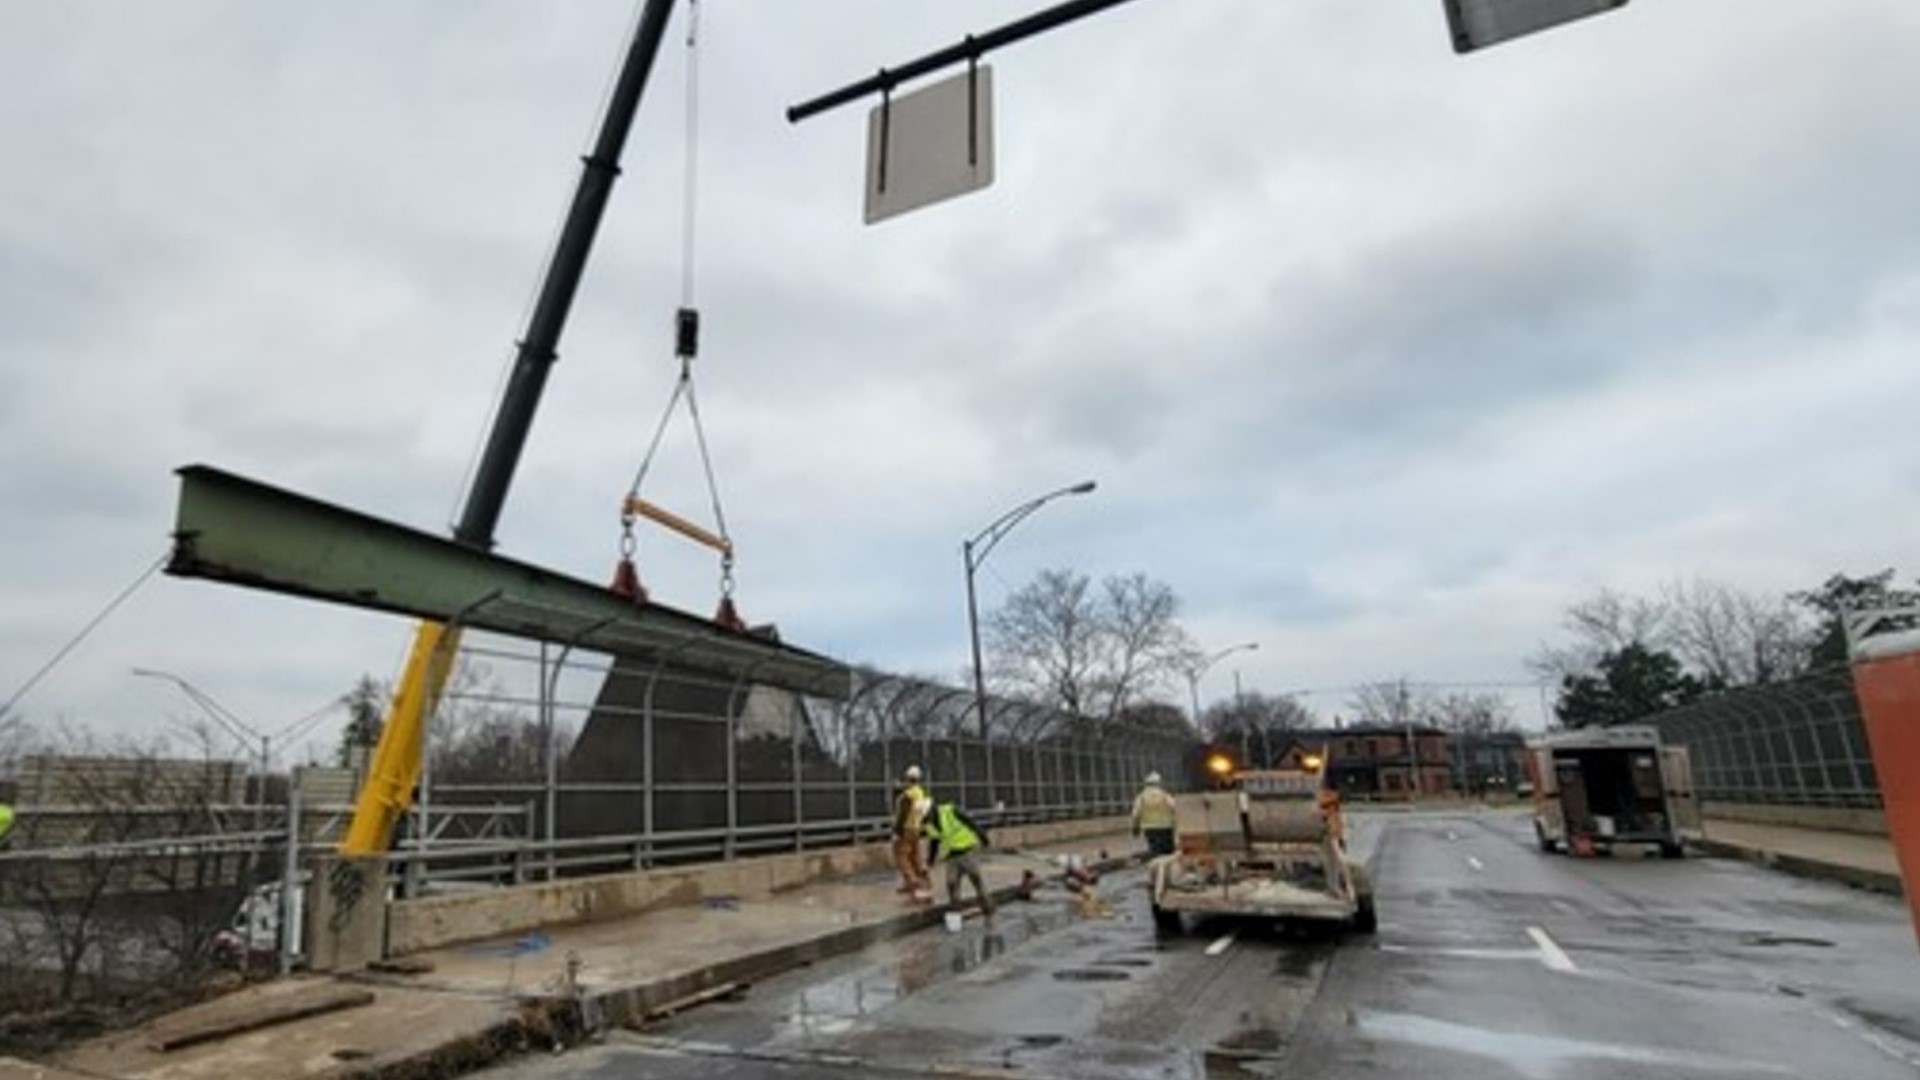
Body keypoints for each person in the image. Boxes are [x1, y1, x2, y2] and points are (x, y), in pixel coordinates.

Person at [923, 799, 993, 918]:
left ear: (932, 810)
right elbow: (934, 842)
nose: (926, 818)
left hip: (966, 851)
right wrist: (930, 861)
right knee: (951, 883)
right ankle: (956, 913)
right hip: (951, 856)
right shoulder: (929, 825)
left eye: (927, 815)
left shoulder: (950, 810)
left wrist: (983, 836)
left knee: (976, 879)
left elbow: (969, 821)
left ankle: (988, 909)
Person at [891, 766, 931, 898]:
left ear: (908, 778)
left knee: (900, 856)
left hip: (906, 828)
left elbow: (903, 814)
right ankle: (923, 880)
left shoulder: (907, 796)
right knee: (914, 856)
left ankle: (911, 880)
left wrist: (897, 831)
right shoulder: (920, 792)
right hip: (917, 828)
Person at [1131, 772, 1177, 857]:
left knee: (1155, 851)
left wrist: (1135, 828)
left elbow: (1135, 814)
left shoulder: (1141, 797)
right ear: (1159, 783)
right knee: (1168, 852)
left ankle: (1157, 866)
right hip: (1166, 827)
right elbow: (1174, 809)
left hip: (1150, 828)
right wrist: (1176, 825)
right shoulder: (1165, 795)